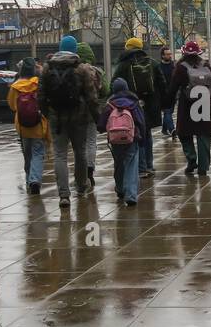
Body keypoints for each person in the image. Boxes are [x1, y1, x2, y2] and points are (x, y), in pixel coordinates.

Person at [40, 35, 102, 209]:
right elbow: (91, 96)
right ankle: (81, 186)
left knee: (59, 154)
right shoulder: (81, 68)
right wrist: (98, 119)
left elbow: (41, 96)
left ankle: (64, 194)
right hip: (78, 117)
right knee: (80, 152)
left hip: (56, 117)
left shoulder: (47, 68)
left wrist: (48, 113)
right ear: (75, 49)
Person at [113, 37, 165, 177]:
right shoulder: (152, 63)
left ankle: (141, 168)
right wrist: (162, 104)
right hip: (150, 105)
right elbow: (162, 84)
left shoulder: (123, 65)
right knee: (147, 134)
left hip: (132, 105)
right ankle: (149, 165)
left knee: (137, 136)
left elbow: (114, 84)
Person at [164, 38, 211, 176]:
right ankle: (203, 167)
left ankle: (191, 158)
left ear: (184, 53)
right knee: (204, 135)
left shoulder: (181, 67)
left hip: (187, 104)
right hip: (205, 103)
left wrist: (167, 104)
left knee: (184, 133)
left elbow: (173, 87)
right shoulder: (206, 65)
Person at [98, 78, 146, 206]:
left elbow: (101, 124)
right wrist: (142, 138)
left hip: (115, 140)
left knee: (119, 164)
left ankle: (120, 189)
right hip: (132, 138)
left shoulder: (110, 104)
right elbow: (141, 122)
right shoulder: (134, 103)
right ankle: (131, 194)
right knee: (131, 165)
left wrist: (103, 129)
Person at [7, 59, 49, 194]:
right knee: (38, 153)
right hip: (38, 125)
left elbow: (13, 106)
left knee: (27, 155)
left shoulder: (15, 86)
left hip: (22, 126)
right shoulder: (38, 84)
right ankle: (34, 180)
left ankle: (28, 180)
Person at [74, 42, 106, 190]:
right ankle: (90, 170)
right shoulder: (97, 71)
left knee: (80, 145)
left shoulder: (75, 71)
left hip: (78, 113)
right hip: (93, 111)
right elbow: (106, 90)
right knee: (92, 142)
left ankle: (81, 173)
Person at [158, 46, 177, 137]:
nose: (170, 56)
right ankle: (172, 129)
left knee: (169, 112)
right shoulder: (158, 67)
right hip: (163, 94)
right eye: (167, 54)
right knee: (167, 111)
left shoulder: (174, 66)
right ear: (162, 56)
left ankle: (164, 129)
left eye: (170, 54)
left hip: (173, 93)